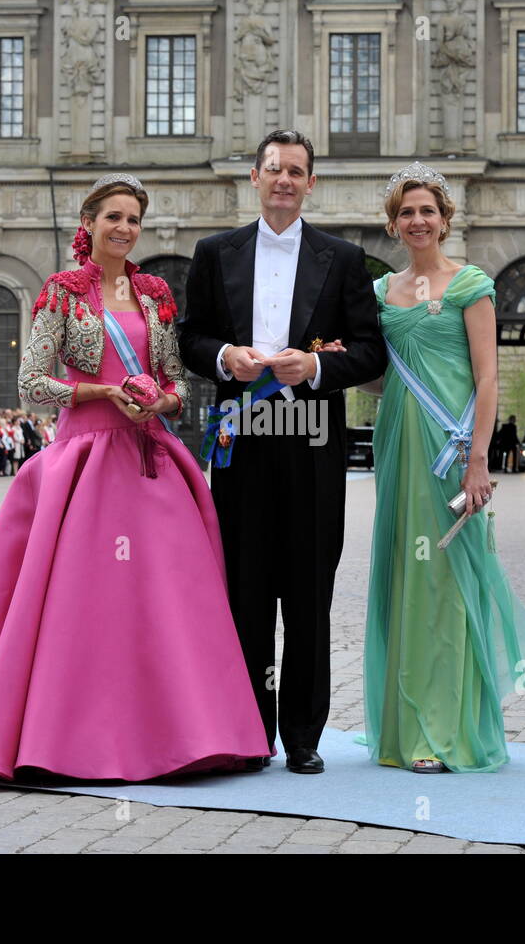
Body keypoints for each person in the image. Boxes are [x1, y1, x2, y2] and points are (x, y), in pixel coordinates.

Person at [0, 174, 270, 782]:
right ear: (89, 224)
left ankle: (186, 737)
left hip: (151, 461)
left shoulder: (155, 293)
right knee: (86, 605)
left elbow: (176, 380)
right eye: (113, 218)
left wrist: (160, 401)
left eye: (133, 220)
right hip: (85, 463)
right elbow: (31, 382)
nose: (125, 228)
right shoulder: (63, 292)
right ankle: (64, 739)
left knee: (167, 603)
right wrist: (103, 391)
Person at [178, 130, 387, 774]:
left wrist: (316, 368)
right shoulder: (214, 253)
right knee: (244, 591)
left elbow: (371, 351)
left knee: (307, 593)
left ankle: (302, 735)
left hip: (313, 444)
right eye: (274, 169)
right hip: (240, 442)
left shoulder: (343, 259)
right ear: (255, 177)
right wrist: (224, 356)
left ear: (311, 183)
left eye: (297, 171)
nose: (285, 180)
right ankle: (248, 730)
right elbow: (190, 338)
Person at [362, 162, 525, 772]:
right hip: (399, 443)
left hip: (452, 450)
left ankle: (441, 729)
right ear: (393, 224)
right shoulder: (381, 294)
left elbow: (487, 379)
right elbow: (381, 376)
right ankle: (403, 726)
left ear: (445, 219)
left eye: (427, 211)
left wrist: (479, 461)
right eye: (406, 212)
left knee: (446, 579)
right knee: (406, 573)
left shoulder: (469, 285)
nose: (418, 220)